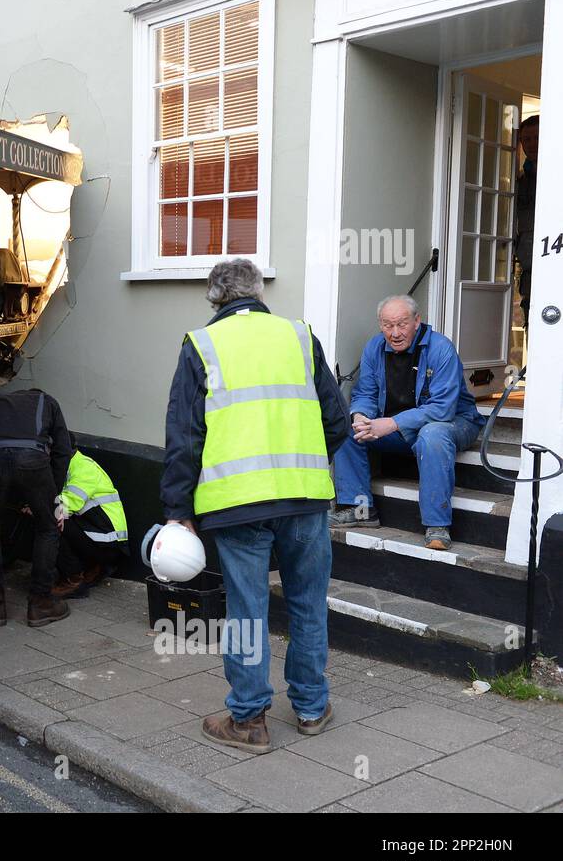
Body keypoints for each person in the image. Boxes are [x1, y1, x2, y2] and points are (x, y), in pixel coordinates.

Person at [161, 258, 349, 754]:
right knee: (308, 602)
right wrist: (307, 462)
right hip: (305, 498)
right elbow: (338, 422)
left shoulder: (201, 345)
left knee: (247, 611)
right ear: (259, 292)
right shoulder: (300, 337)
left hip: (236, 504)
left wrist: (177, 508)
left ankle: (248, 720)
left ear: (214, 297)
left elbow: (184, 437)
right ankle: (310, 708)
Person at [329, 295, 485, 550]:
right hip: (400, 427)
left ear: (417, 321)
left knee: (432, 434)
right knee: (348, 427)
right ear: (380, 325)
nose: (395, 333)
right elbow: (365, 393)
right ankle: (360, 510)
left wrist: (390, 423)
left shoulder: (440, 348)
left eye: (402, 324)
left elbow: (442, 409)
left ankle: (437, 525)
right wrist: (361, 416)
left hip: (454, 422)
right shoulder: (374, 348)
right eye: (388, 325)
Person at [0, 387, 73, 627]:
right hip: (33, 460)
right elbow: (62, 451)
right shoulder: (48, 401)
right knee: (48, 528)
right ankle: (40, 603)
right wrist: (54, 498)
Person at [51, 449, 129, 599]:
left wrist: (38, 507)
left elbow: (66, 505)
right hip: (102, 538)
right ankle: (93, 568)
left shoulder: (83, 468)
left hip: (108, 544)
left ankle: (73, 581)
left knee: (53, 522)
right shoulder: (73, 465)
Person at [514, 115, 539, 327]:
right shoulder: (520, 180)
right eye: (526, 139)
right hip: (529, 267)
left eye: (537, 137)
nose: (531, 144)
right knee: (532, 321)